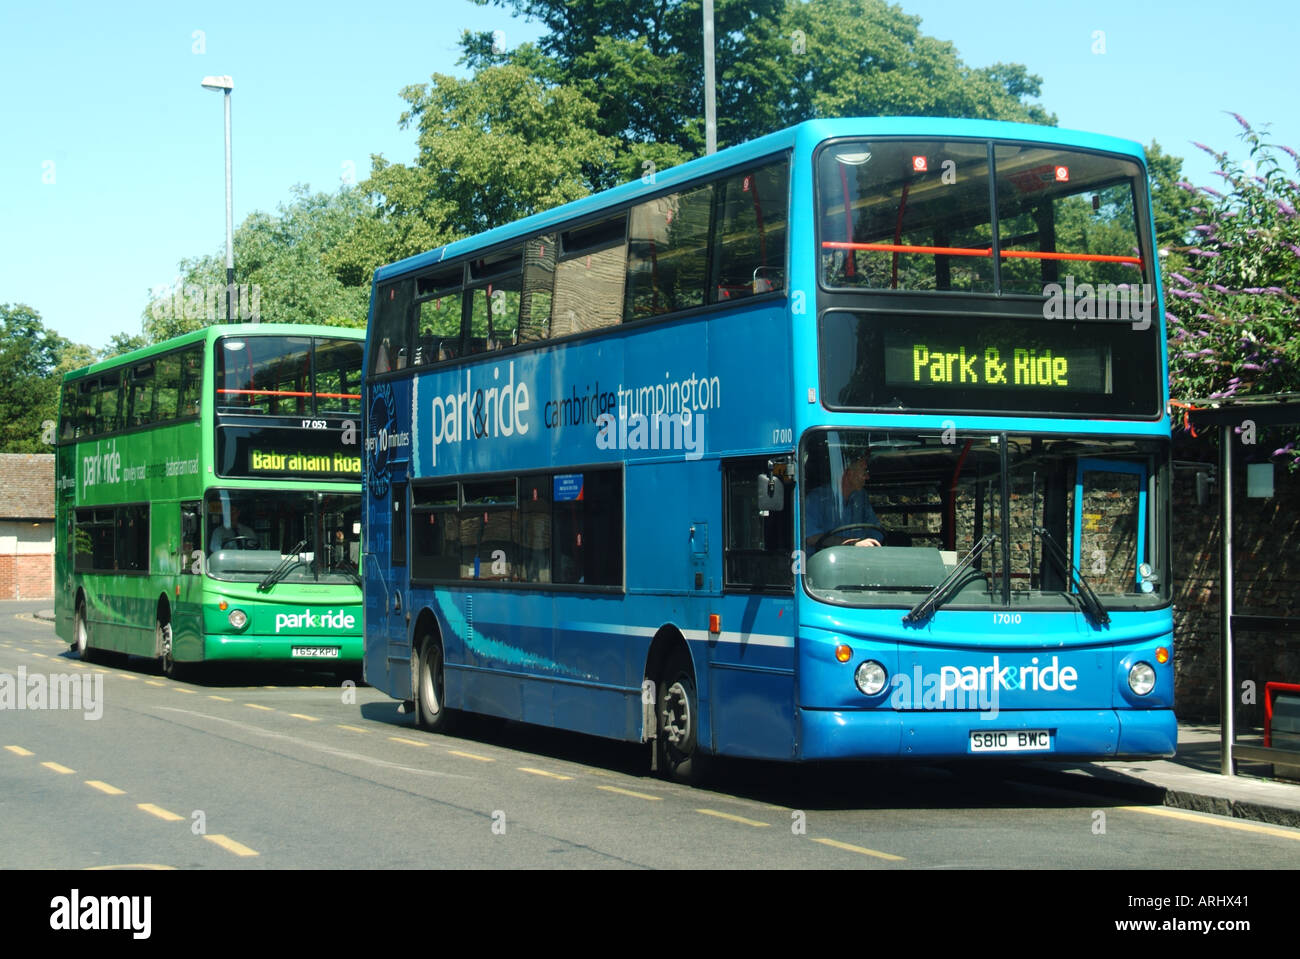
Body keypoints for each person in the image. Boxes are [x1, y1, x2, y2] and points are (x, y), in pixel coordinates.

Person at [804, 451, 885, 551]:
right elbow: (811, 537)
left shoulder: (860, 497)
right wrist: (852, 544)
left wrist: (869, 544)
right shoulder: (816, 498)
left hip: (859, 561)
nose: (867, 477)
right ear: (849, 473)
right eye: (864, 472)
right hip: (823, 563)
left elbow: (876, 530)